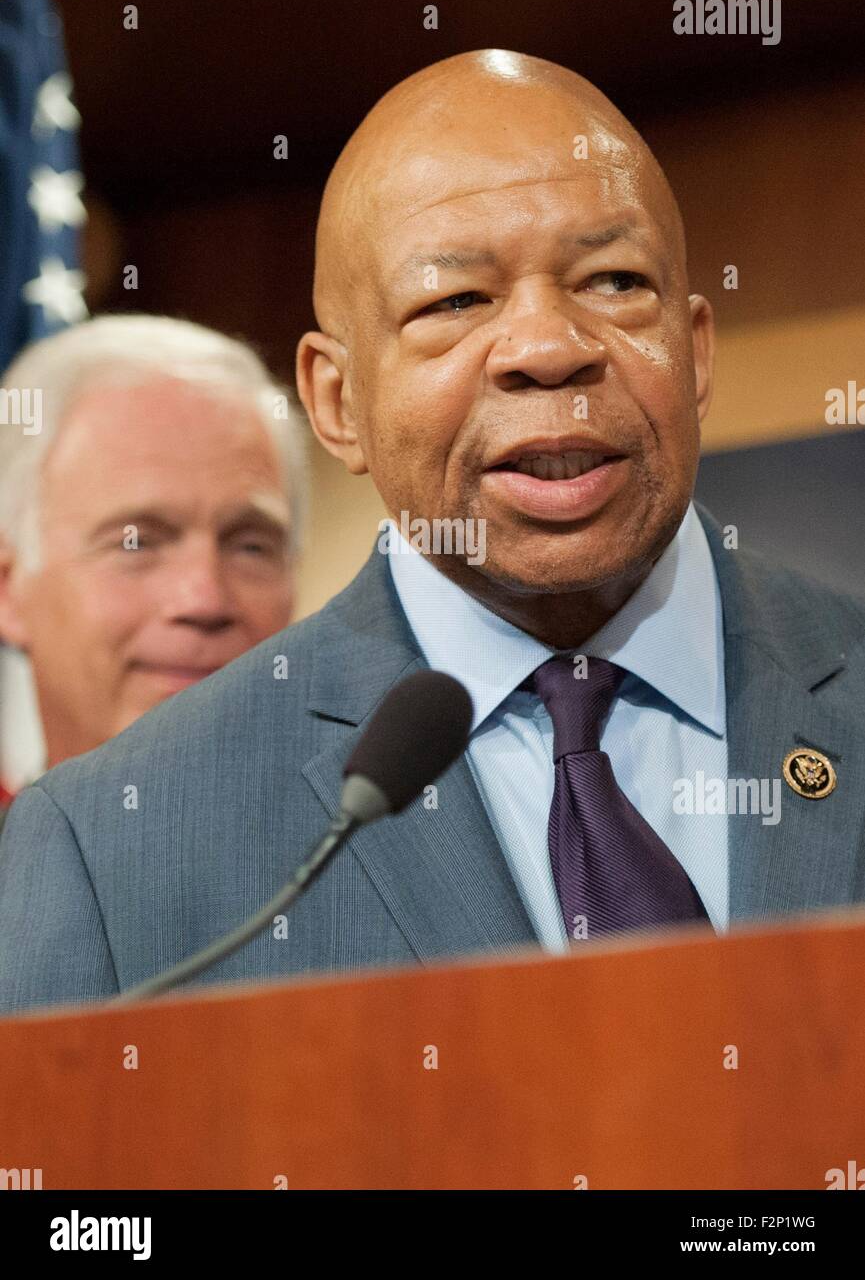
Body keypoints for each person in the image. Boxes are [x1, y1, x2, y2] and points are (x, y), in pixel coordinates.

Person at [1, 51, 863, 1014]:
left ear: (694, 350)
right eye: (454, 302)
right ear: (337, 401)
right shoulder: (114, 849)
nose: (546, 349)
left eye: (613, 280)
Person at [0, 315, 306, 814]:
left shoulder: (387, 882)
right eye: (135, 542)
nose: (205, 600)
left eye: (250, 546)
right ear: (9, 588)